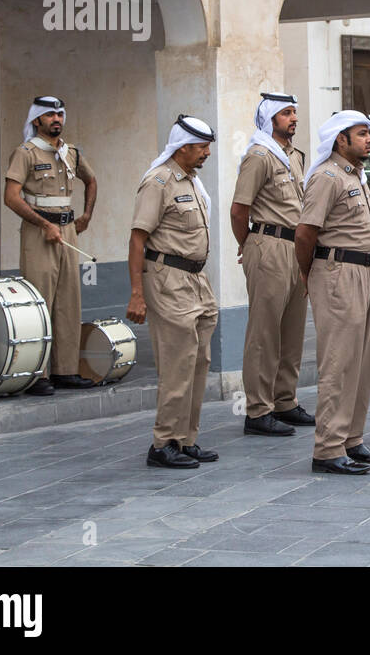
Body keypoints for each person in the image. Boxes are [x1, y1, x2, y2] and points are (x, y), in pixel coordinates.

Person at [295, 111, 370, 475]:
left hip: (363, 271)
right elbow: (305, 233)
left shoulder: (355, 175)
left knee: (362, 362)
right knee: (338, 362)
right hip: (337, 273)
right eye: (362, 134)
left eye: (369, 133)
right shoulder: (326, 176)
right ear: (341, 139)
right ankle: (327, 448)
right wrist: (308, 273)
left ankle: (351, 438)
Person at [129, 115, 220, 469]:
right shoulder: (159, 181)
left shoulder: (192, 181)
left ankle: (185, 439)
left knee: (198, 362)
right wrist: (137, 293)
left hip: (196, 280)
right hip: (168, 280)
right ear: (182, 147)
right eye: (201, 147)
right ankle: (163, 442)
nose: (207, 153)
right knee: (177, 362)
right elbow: (138, 239)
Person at [3, 96, 99, 395]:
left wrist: (86, 216)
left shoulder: (72, 153)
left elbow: (91, 181)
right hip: (39, 232)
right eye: (49, 115)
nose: (56, 119)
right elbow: (11, 197)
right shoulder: (25, 153)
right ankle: (38, 374)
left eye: (59, 115)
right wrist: (44, 224)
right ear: (36, 120)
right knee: (40, 301)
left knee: (69, 301)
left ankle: (65, 370)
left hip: (67, 231)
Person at [231, 92, 313, 437]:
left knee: (292, 332)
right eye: (286, 113)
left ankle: (285, 401)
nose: (294, 118)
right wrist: (250, 244)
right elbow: (239, 210)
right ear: (270, 119)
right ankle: (258, 410)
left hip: (296, 247)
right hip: (269, 245)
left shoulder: (294, 155)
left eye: (294, 112)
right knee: (264, 333)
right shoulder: (259, 156)